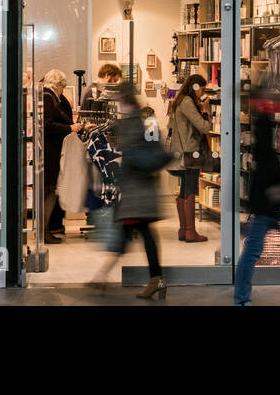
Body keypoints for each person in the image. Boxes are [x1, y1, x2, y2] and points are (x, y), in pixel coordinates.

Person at [94, 83, 169, 299]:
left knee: (133, 233)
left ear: (123, 101)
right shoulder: (150, 120)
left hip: (136, 191)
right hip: (146, 188)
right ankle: (156, 280)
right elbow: (158, 150)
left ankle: (102, 277)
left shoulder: (128, 124)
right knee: (141, 234)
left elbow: (127, 158)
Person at [234, 105, 280, 305]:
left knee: (251, 252)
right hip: (264, 212)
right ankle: (241, 299)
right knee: (250, 254)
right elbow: (270, 186)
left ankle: (241, 297)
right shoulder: (267, 156)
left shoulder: (262, 154)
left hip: (263, 211)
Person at [167, 73, 213, 243]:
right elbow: (204, 127)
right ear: (196, 87)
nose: (203, 93)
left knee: (184, 189)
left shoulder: (181, 101)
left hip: (182, 151)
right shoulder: (187, 102)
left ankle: (183, 229)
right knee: (190, 190)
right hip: (189, 152)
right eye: (202, 89)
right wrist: (206, 111)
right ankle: (190, 231)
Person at [41, 69, 80, 242]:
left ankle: (45, 229)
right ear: (57, 85)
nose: (62, 91)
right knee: (49, 190)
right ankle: (44, 230)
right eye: (62, 88)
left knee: (50, 190)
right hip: (50, 151)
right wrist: (70, 128)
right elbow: (48, 125)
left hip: (50, 150)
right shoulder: (49, 97)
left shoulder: (46, 96)